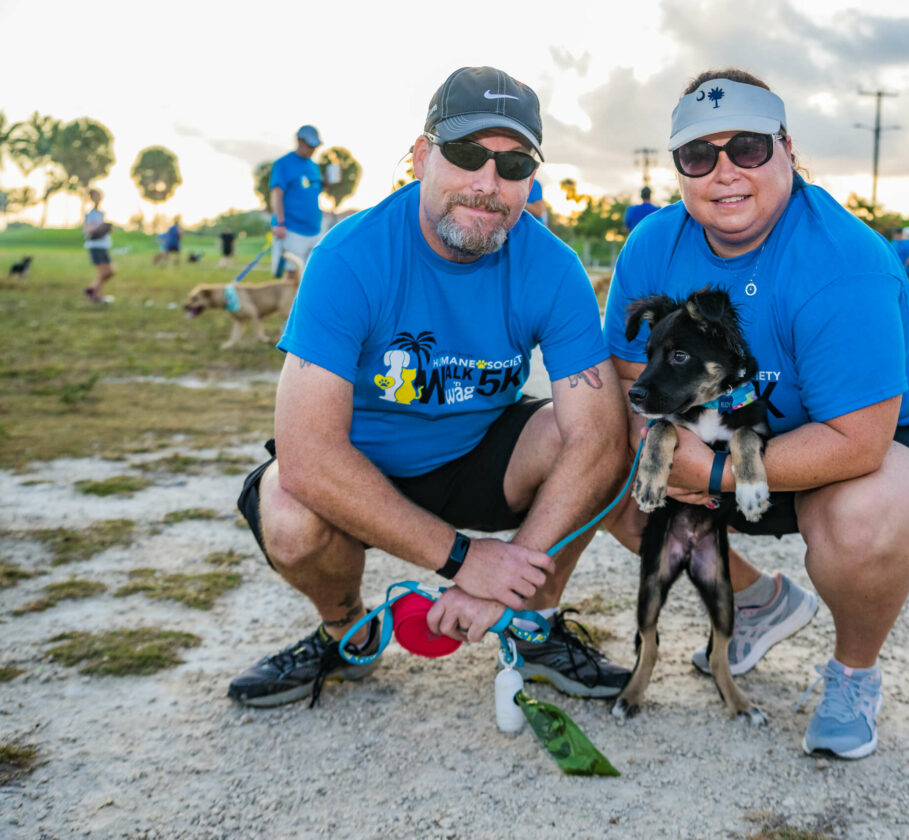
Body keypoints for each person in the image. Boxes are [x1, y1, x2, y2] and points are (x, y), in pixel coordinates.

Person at [603, 69, 909, 760]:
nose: (723, 172)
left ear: (786, 146)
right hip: (753, 435)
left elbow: (857, 441)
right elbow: (635, 383)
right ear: (679, 169)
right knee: (612, 467)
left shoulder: (843, 259)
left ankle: (852, 674)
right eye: (699, 156)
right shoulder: (651, 246)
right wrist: (663, 451)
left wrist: (717, 472)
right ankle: (759, 602)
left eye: (746, 148)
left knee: (850, 517)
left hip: (908, 435)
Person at [228, 66, 631, 709]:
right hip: (364, 464)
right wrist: (465, 560)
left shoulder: (554, 267)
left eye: (513, 164)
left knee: (589, 437)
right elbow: (305, 453)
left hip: (478, 455)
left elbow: (601, 436)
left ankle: (532, 626)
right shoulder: (349, 254)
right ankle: (348, 633)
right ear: (420, 157)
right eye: (466, 154)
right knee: (288, 511)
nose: (486, 183)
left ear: (532, 178)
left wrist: (507, 575)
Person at [269, 124, 325, 281]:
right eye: (310, 145)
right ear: (299, 141)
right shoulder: (283, 164)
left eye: (315, 146)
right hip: (292, 229)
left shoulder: (314, 166)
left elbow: (311, 193)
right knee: (292, 276)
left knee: (311, 276)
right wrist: (279, 223)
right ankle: (289, 306)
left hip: (314, 229)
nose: (313, 149)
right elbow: (277, 195)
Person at [82, 188, 114, 303]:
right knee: (103, 272)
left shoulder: (101, 213)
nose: (97, 199)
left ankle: (92, 289)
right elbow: (87, 230)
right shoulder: (90, 214)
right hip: (95, 246)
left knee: (110, 271)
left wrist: (107, 228)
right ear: (91, 198)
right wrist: (100, 228)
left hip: (103, 245)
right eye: (95, 196)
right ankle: (97, 296)